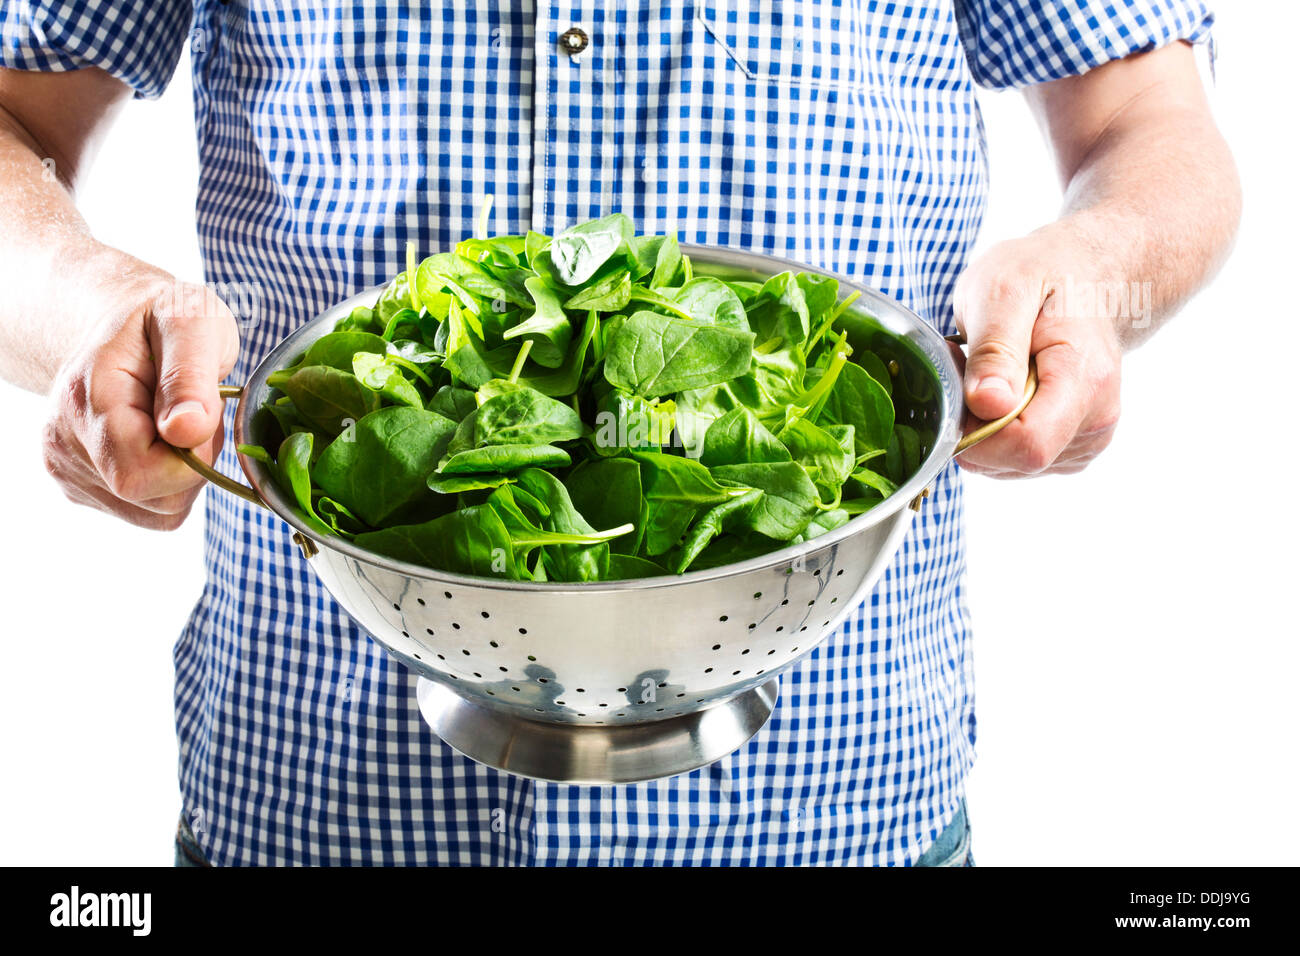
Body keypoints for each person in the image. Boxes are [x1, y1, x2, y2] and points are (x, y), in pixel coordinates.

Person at [0, 1, 1238, 866]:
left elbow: (1152, 123)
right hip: (314, 787)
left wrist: (1093, 263)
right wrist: (87, 311)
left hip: (836, 814)